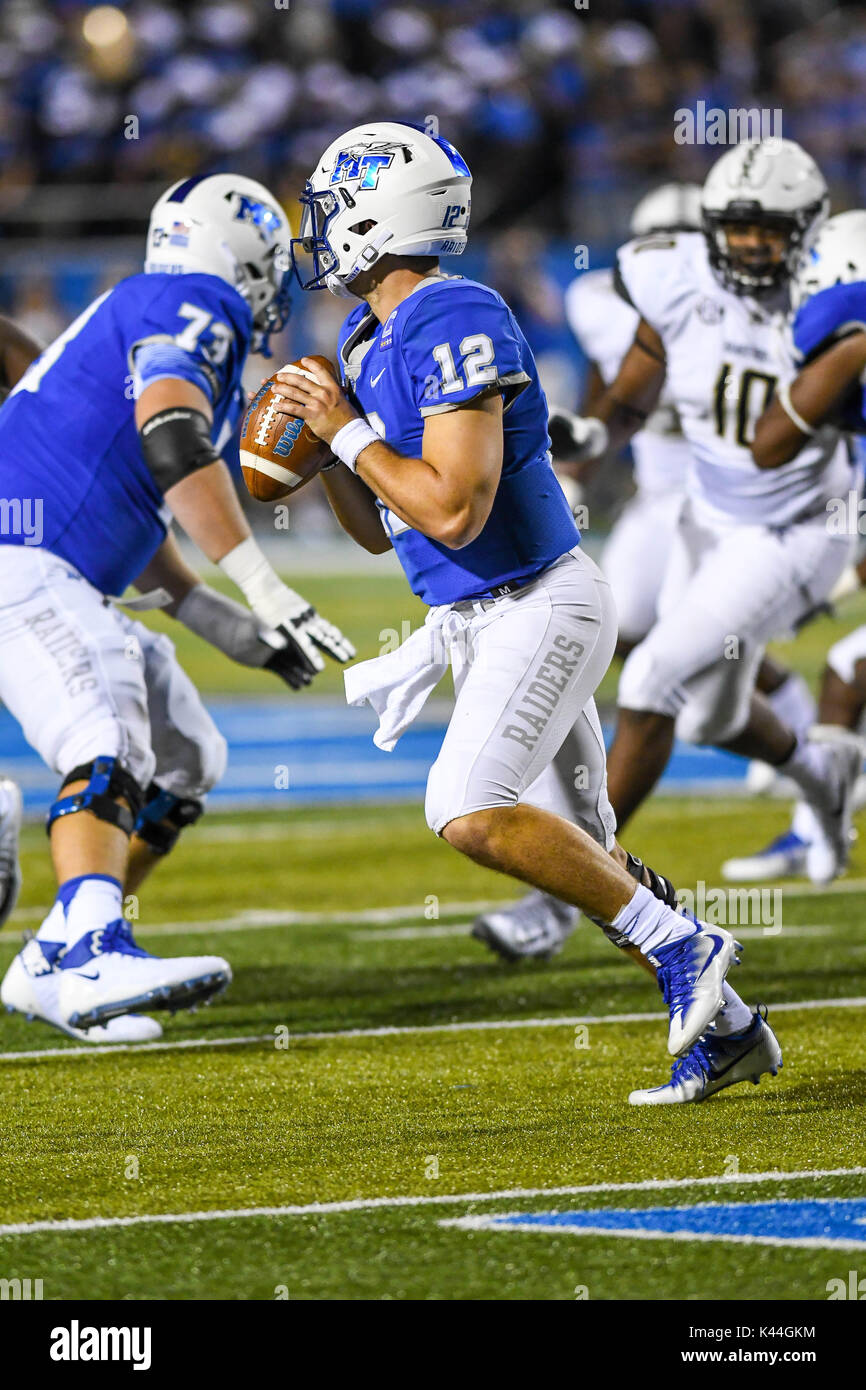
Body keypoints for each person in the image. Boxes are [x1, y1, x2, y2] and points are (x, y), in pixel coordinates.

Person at [272, 119, 752, 1091]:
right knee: (588, 856)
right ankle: (731, 1030)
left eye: (331, 210)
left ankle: (687, 953)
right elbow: (383, 528)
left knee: (464, 805)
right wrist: (330, 453)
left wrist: (349, 430)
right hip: (485, 615)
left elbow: (454, 506)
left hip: (537, 602)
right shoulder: (369, 336)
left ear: (379, 215)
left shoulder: (454, 316)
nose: (317, 231)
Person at [0, 173, 354, 1041]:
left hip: (53, 564)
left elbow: (134, 502)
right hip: (22, 562)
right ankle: (92, 947)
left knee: (188, 755)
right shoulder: (196, 299)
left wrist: (220, 622)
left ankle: (49, 958)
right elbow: (170, 437)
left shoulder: (159, 310)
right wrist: (264, 587)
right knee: (105, 731)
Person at [723, 209, 866, 880]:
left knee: (848, 669)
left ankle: (820, 824)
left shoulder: (842, 315)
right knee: (848, 667)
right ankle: (817, 825)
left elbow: (770, 443)